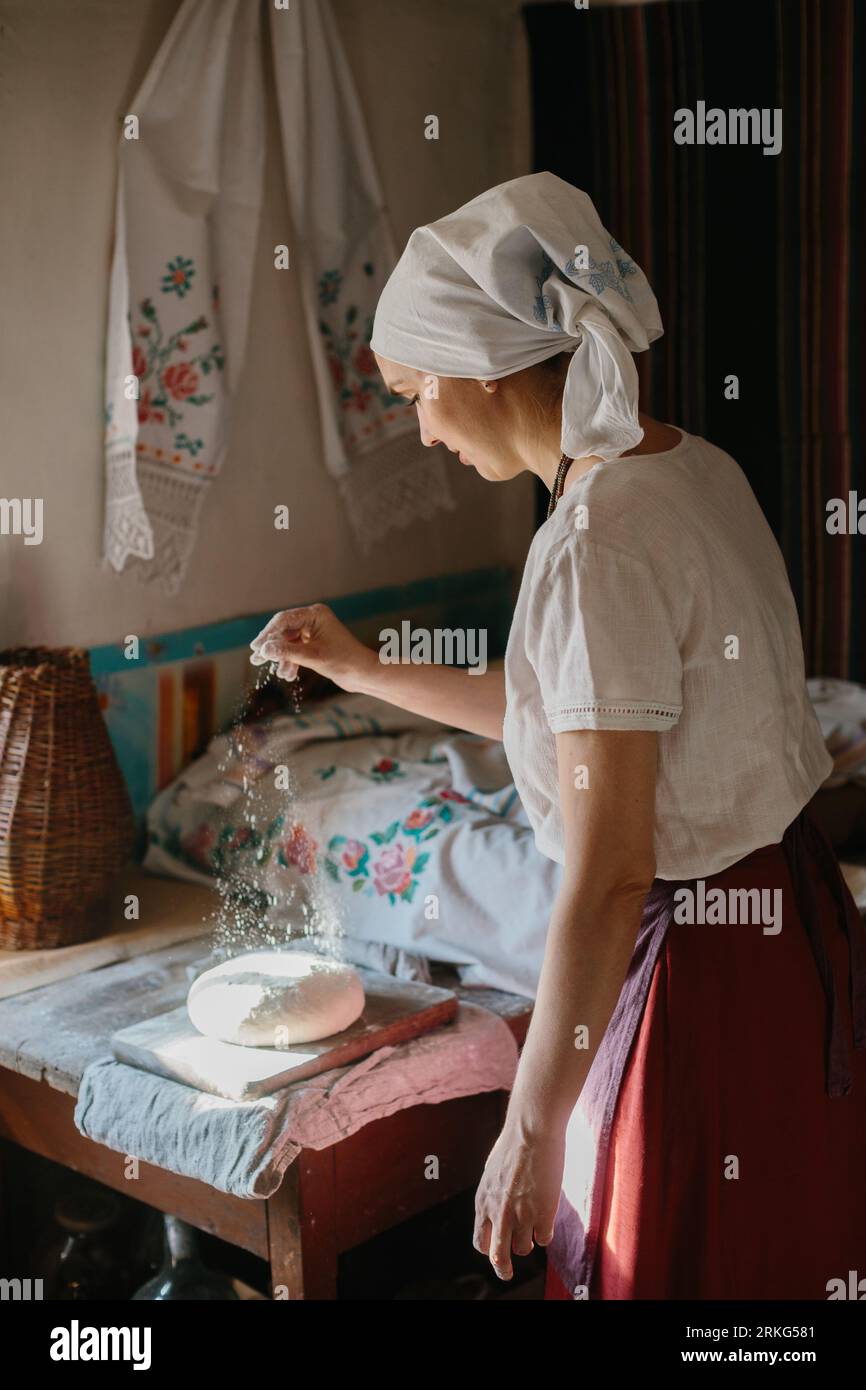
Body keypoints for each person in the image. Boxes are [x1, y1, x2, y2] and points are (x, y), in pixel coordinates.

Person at [250, 172, 866, 1299]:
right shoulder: (687, 469)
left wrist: (527, 1128)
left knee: (671, 1261)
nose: (422, 430)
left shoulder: (594, 539)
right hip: (785, 927)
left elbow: (606, 869)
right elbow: (565, 706)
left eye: (416, 394)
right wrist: (359, 667)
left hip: (694, 972)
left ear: (480, 370)